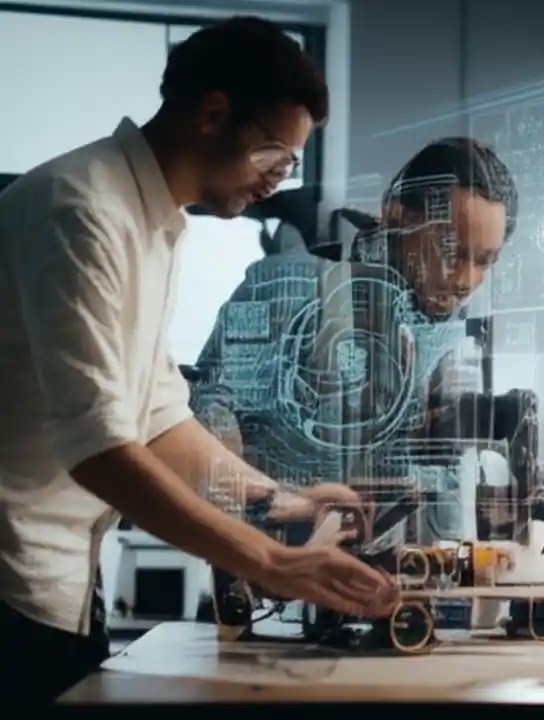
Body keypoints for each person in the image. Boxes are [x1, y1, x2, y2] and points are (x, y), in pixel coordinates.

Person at [0, 17, 398, 703]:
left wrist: (279, 503)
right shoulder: (81, 210)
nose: (278, 181)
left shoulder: (150, 220)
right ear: (214, 114)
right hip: (13, 588)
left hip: (60, 581)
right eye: (276, 153)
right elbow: (95, 444)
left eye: (292, 165)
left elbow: (158, 418)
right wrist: (271, 562)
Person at [190, 137, 518, 501]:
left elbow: (434, 479)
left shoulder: (450, 336)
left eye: (485, 261)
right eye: (450, 250)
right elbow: (207, 420)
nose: (466, 280)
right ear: (396, 216)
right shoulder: (288, 290)